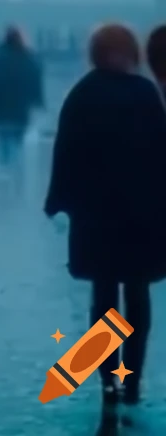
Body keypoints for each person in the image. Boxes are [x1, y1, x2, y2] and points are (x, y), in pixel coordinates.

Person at [46, 23, 166, 419]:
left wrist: (59, 200)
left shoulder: (82, 94)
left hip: (97, 216)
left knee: (103, 300)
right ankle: (132, 381)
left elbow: (65, 152)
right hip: (142, 214)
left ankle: (107, 379)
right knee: (137, 297)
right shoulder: (146, 94)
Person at [0, 25, 44, 164]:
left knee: (2, 145)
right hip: (20, 112)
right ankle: (16, 175)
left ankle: (4, 173)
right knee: (17, 143)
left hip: (0, 111)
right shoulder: (28, 58)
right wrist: (38, 102)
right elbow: (35, 82)